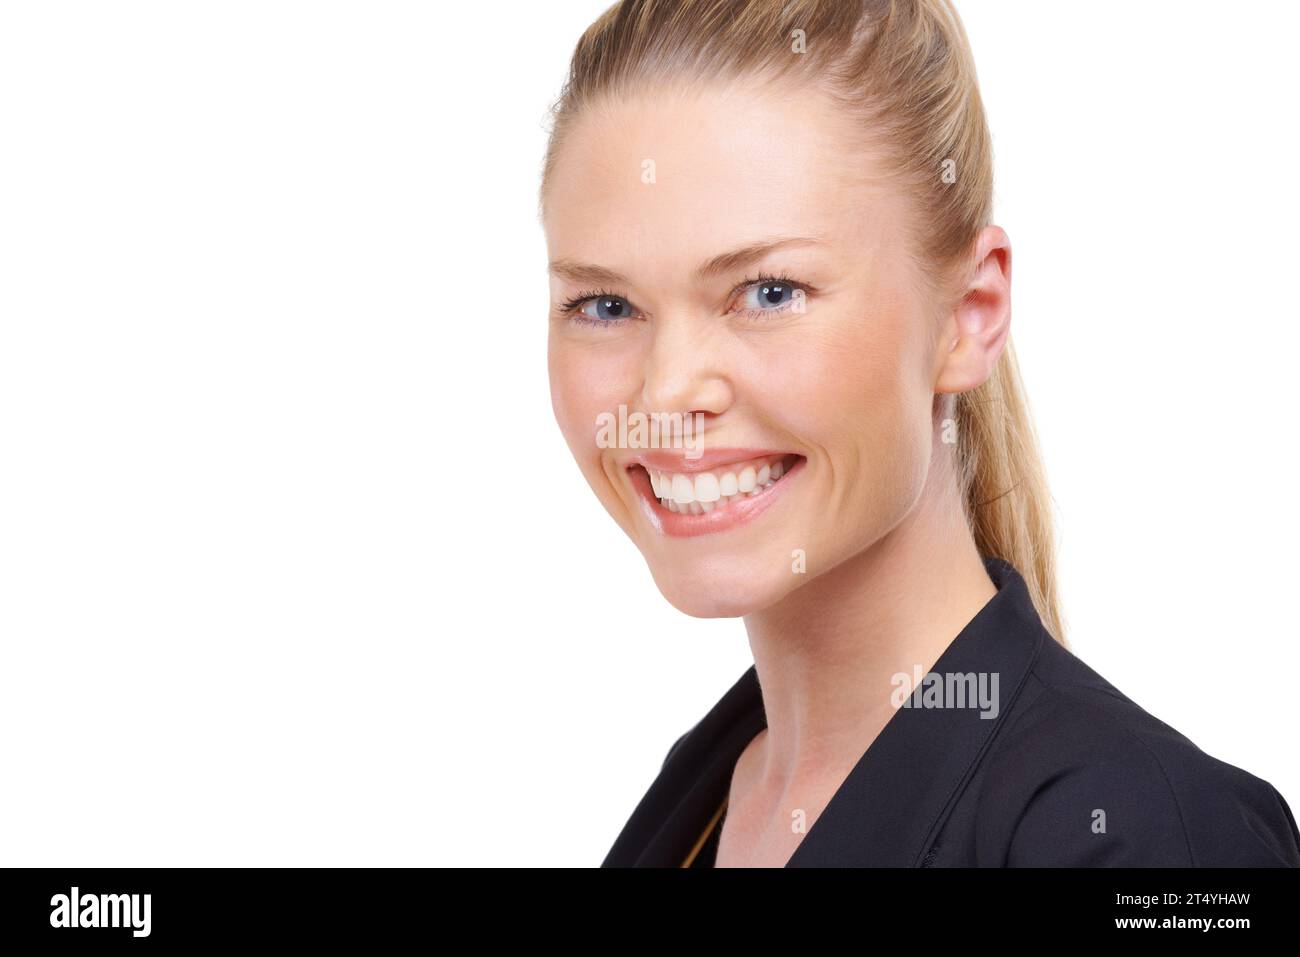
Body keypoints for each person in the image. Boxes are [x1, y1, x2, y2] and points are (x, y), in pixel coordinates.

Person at [537, 0, 1300, 866]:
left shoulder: (1147, 840)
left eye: (770, 291)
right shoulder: (705, 795)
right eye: (605, 305)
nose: (667, 390)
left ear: (970, 316)